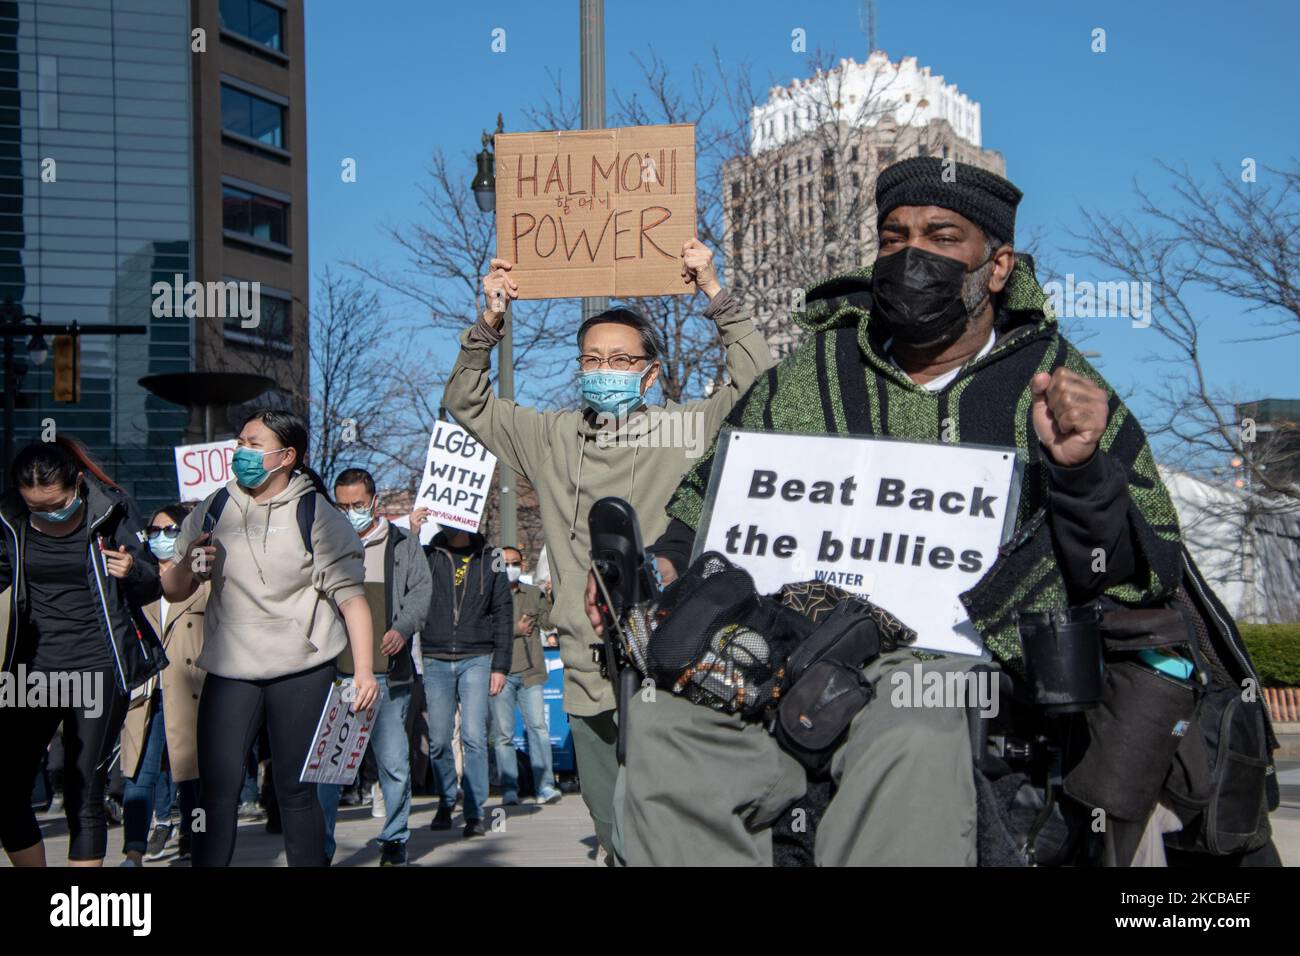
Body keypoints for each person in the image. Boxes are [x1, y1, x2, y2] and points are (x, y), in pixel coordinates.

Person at [607, 157, 1187, 866]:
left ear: (997, 266)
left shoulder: (1057, 385)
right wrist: (665, 558)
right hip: (787, 649)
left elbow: (1138, 573)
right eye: (893, 237)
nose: (913, 255)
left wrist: (1082, 473)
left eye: (943, 237)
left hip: (957, 669)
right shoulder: (807, 378)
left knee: (912, 725)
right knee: (666, 731)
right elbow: (707, 509)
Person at [443, 237, 775, 862]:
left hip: (668, 663)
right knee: (613, 824)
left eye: (621, 361)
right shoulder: (550, 436)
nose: (604, 371)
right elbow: (465, 401)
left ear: (650, 373)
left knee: (667, 826)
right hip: (587, 669)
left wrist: (714, 291)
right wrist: (489, 322)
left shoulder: (681, 428)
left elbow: (757, 386)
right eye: (592, 359)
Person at [163, 409, 379, 867]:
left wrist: (363, 671)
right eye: (239, 441)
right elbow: (174, 588)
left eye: (253, 443)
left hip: (300, 669)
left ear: (287, 455)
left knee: (295, 791)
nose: (240, 450)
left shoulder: (315, 513)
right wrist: (189, 565)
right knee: (215, 790)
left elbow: (352, 600)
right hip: (228, 668)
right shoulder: (215, 506)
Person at [0, 437, 166, 867]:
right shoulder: (9, 519)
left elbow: (152, 583)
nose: (46, 513)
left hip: (98, 665)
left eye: (55, 503)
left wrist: (132, 571)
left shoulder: (111, 510)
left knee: (84, 790)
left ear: (76, 483)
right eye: (35, 507)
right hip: (31, 671)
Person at [318, 468, 431, 867]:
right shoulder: (326, 544)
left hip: (390, 674)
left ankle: (395, 839)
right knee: (330, 770)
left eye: (358, 505)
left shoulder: (402, 543)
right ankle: (322, 847)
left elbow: (421, 592)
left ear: (374, 503)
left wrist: (401, 629)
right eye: (343, 506)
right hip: (338, 675)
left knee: (394, 761)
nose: (351, 513)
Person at [408, 510, 511, 838]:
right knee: (438, 738)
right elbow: (406, 576)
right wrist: (413, 532)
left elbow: (503, 610)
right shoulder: (428, 554)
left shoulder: (492, 557)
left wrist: (501, 665)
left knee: (474, 736)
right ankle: (445, 798)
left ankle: (474, 811)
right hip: (436, 658)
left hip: (477, 657)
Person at [119, 502, 208, 866]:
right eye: (153, 531)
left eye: (170, 531)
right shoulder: (139, 580)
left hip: (190, 689)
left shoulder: (205, 581)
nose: (160, 538)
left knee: (191, 775)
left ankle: (193, 836)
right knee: (140, 771)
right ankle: (133, 851)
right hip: (146, 690)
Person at [490, 546, 561, 806]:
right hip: (501, 673)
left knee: (539, 729)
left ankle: (545, 786)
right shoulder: (488, 595)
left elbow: (549, 623)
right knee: (503, 735)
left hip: (530, 673)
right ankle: (510, 788)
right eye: (505, 562)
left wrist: (553, 597)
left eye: (515, 563)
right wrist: (515, 629)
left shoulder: (533, 594)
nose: (510, 567)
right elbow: (485, 631)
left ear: (522, 564)